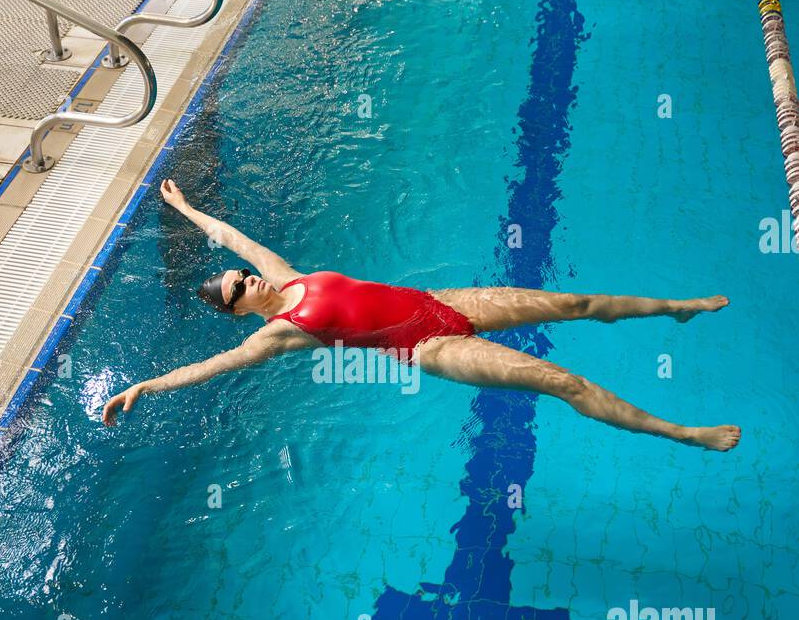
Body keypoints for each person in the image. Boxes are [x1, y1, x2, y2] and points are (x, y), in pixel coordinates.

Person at [102, 179, 740, 451]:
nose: (243, 277)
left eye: (239, 276)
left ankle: (675, 309)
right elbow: (210, 366)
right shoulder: (276, 337)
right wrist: (145, 385)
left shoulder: (286, 276)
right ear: (243, 312)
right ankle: (683, 433)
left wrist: (184, 210)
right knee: (560, 381)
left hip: (443, 303)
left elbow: (231, 235)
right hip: (429, 347)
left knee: (573, 304)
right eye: (236, 288)